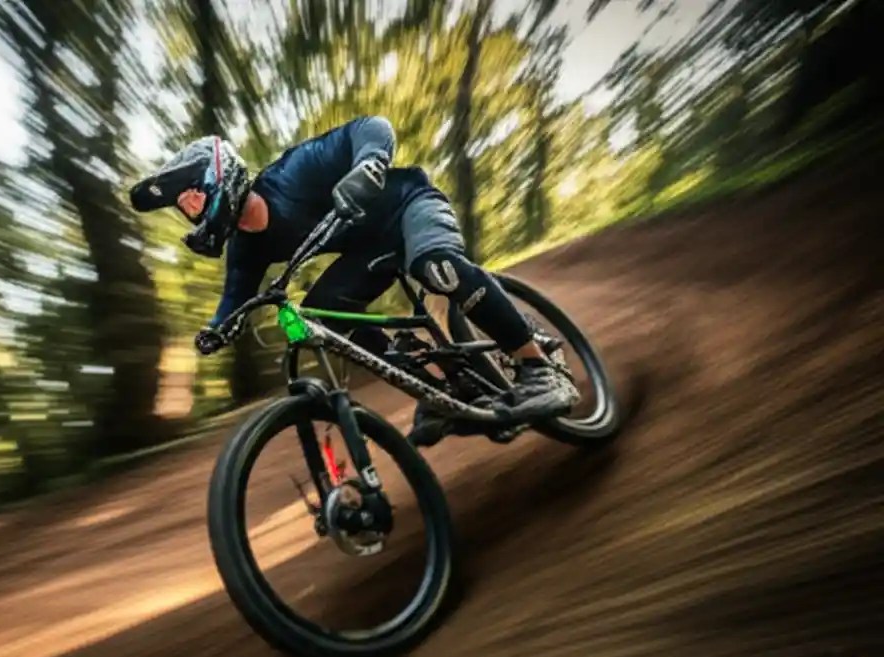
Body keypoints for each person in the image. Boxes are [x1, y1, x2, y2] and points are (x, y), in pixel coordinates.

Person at [127, 116, 578, 447]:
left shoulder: (293, 174)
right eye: (183, 207)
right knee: (321, 310)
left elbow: (373, 127)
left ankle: (536, 365)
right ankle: (438, 387)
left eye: (192, 196)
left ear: (218, 177)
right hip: (371, 249)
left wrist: (369, 166)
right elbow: (235, 296)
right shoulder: (245, 248)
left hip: (409, 206)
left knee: (435, 266)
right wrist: (216, 328)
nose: (190, 210)